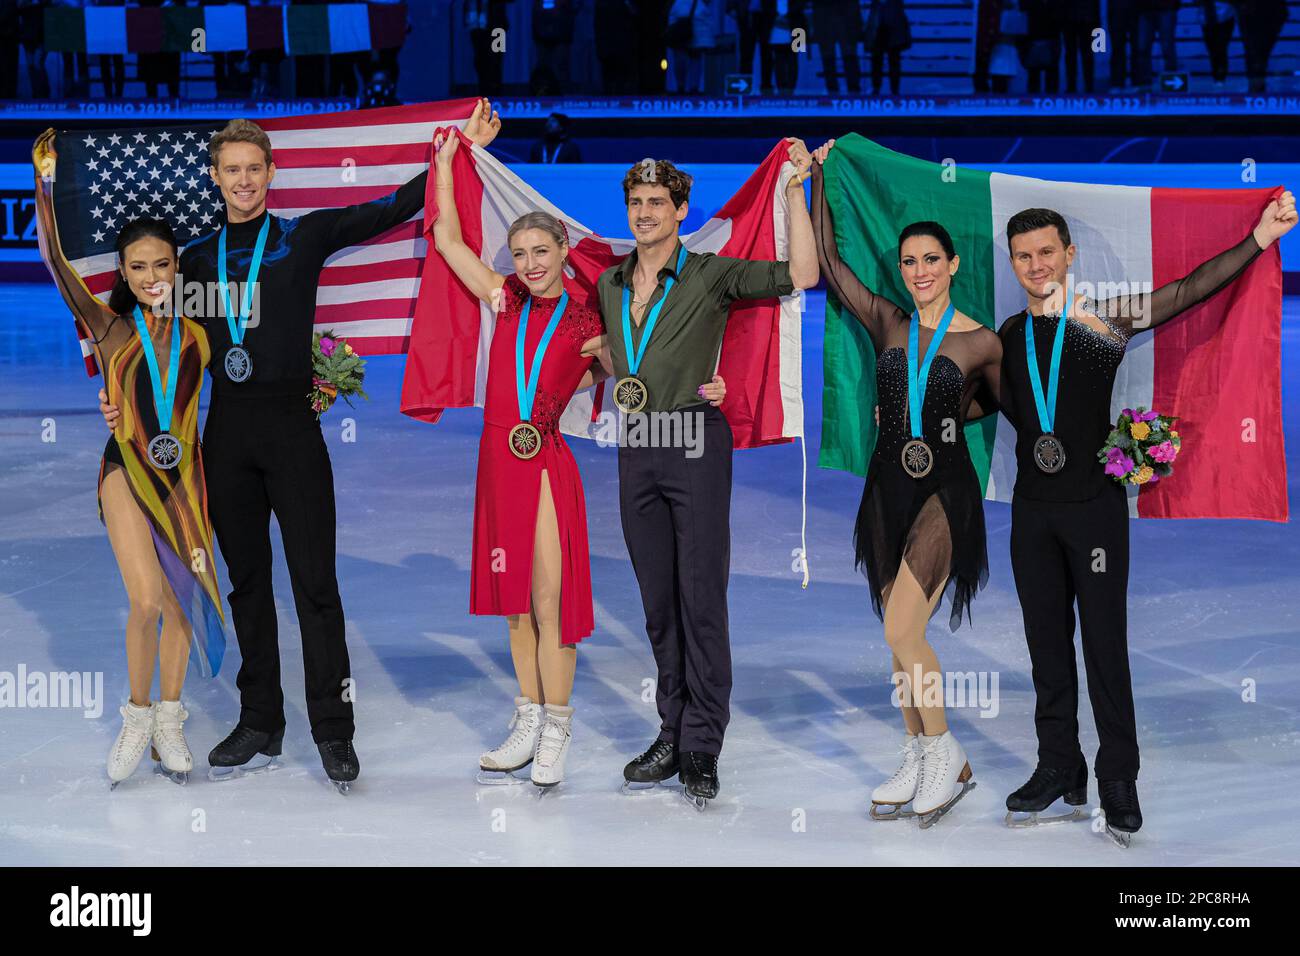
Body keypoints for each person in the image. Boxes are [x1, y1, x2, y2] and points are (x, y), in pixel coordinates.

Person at [99, 100, 503, 790]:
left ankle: (333, 729)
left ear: (272, 172)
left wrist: (454, 151)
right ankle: (260, 719)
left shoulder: (304, 236)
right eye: (233, 169)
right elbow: (135, 328)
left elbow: (393, 209)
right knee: (249, 582)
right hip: (224, 435)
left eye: (255, 168)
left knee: (316, 585)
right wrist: (118, 400)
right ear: (215, 177)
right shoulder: (192, 260)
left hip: (292, 429)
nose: (245, 180)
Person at [429, 119, 727, 788]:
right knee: (512, 604)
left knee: (547, 600)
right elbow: (447, 238)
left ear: (564, 249)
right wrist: (448, 157)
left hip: (544, 468)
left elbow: (653, 360)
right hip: (496, 462)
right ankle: (528, 717)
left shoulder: (591, 323)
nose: (530, 263)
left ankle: (558, 725)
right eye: (520, 252)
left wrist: (714, 380)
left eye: (541, 250)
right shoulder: (504, 300)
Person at [996, 192, 1297, 844]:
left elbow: (1188, 289)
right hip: (1033, 516)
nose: (1036, 264)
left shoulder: (1105, 322)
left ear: (1068, 255)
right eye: (1023, 256)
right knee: (1047, 648)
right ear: (1013, 262)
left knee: (1103, 647)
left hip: (1095, 514)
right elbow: (986, 406)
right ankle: (1059, 768)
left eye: (1047, 251)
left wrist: (1260, 240)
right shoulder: (1011, 337)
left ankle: (1118, 779)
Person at [599, 142, 817, 804]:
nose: (644, 213)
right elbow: (620, 356)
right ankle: (671, 730)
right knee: (658, 602)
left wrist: (792, 192)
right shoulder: (610, 282)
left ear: (681, 210)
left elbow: (802, 273)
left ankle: (701, 741)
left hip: (695, 442)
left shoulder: (711, 274)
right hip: (636, 443)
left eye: (656, 203)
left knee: (699, 598)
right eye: (635, 203)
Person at [811, 139, 1002, 826]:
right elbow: (832, 267)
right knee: (899, 637)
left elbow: (1012, 407)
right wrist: (821, 180)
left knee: (902, 627)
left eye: (931, 260)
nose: (919, 269)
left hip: (946, 495)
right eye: (909, 261)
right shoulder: (889, 320)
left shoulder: (980, 341)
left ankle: (942, 749)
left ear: (952, 265)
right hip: (886, 489)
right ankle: (920, 748)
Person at [34, 139, 226, 788]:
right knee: (146, 602)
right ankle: (137, 715)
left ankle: (171, 716)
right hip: (124, 469)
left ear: (178, 266)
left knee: (179, 605)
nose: (150, 277)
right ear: (122, 268)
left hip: (185, 477)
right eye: (138, 267)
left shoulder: (202, 327)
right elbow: (59, 269)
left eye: (162, 265)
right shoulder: (112, 328)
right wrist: (44, 187)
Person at [813, 0, 862, 94]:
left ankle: (851, 89)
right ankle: (838, 90)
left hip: (843, 16)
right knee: (832, 55)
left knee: (847, 55)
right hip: (829, 15)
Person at [865, 0, 910, 96]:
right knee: (877, 63)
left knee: (892, 62)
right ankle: (877, 88)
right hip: (879, 31)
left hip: (893, 31)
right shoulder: (876, 4)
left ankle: (894, 89)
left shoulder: (894, 4)